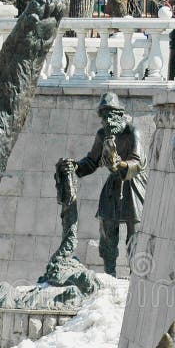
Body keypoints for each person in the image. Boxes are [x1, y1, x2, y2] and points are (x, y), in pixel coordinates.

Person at [57, 93, 147, 276]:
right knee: (106, 229)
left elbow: (138, 163)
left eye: (110, 115)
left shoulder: (132, 132)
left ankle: (135, 276)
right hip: (113, 185)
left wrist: (120, 164)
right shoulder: (102, 134)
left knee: (135, 234)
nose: (107, 120)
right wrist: (75, 166)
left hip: (133, 184)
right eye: (104, 116)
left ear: (119, 115)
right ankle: (109, 273)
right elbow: (92, 161)